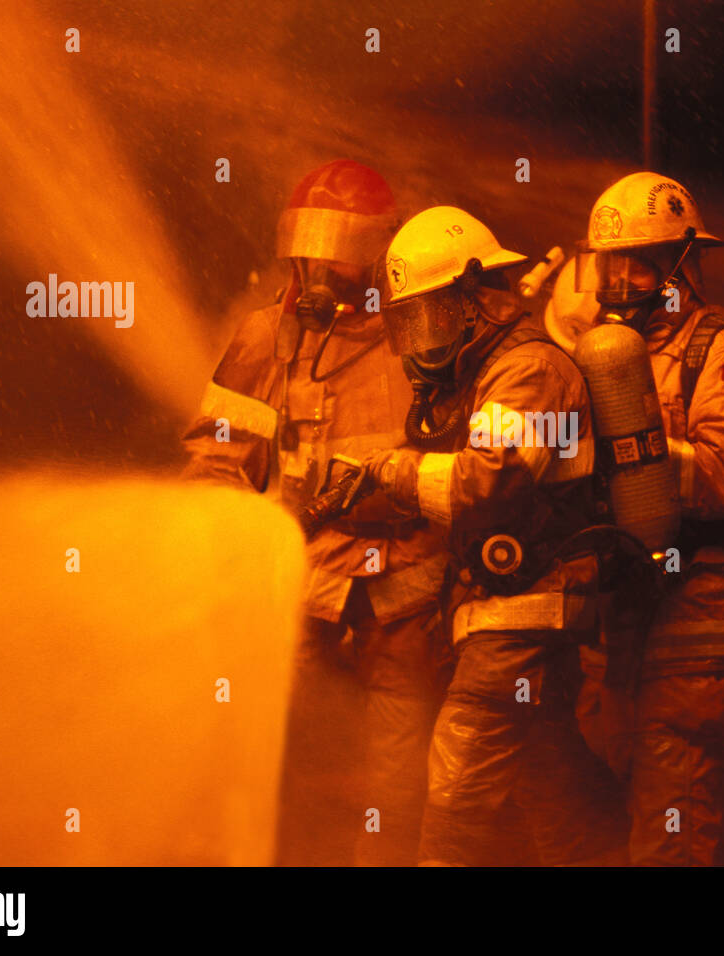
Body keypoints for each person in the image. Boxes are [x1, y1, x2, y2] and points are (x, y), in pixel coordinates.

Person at [181, 160, 449, 865]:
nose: (324, 268)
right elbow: (215, 456)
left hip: (408, 599)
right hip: (303, 591)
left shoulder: (420, 337)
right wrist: (237, 527)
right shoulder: (266, 337)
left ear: (380, 257)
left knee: (396, 784)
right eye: (312, 246)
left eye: (344, 251)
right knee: (280, 757)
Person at [363, 205, 627, 866]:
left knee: (455, 787)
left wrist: (393, 474)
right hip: (511, 616)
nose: (422, 343)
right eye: (410, 325)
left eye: (433, 318)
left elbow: (490, 486)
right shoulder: (490, 375)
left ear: (477, 295)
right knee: (552, 789)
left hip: (523, 619)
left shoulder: (530, 372)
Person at [576, 172, 724, 864]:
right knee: (622, 761)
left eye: (642, 264)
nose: (623, 281)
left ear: (683, 266)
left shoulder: (720, 352)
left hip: (698, 601)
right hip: (622, 603)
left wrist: (639, 461)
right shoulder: (597, 351)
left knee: (675, 792)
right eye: (611, 264)